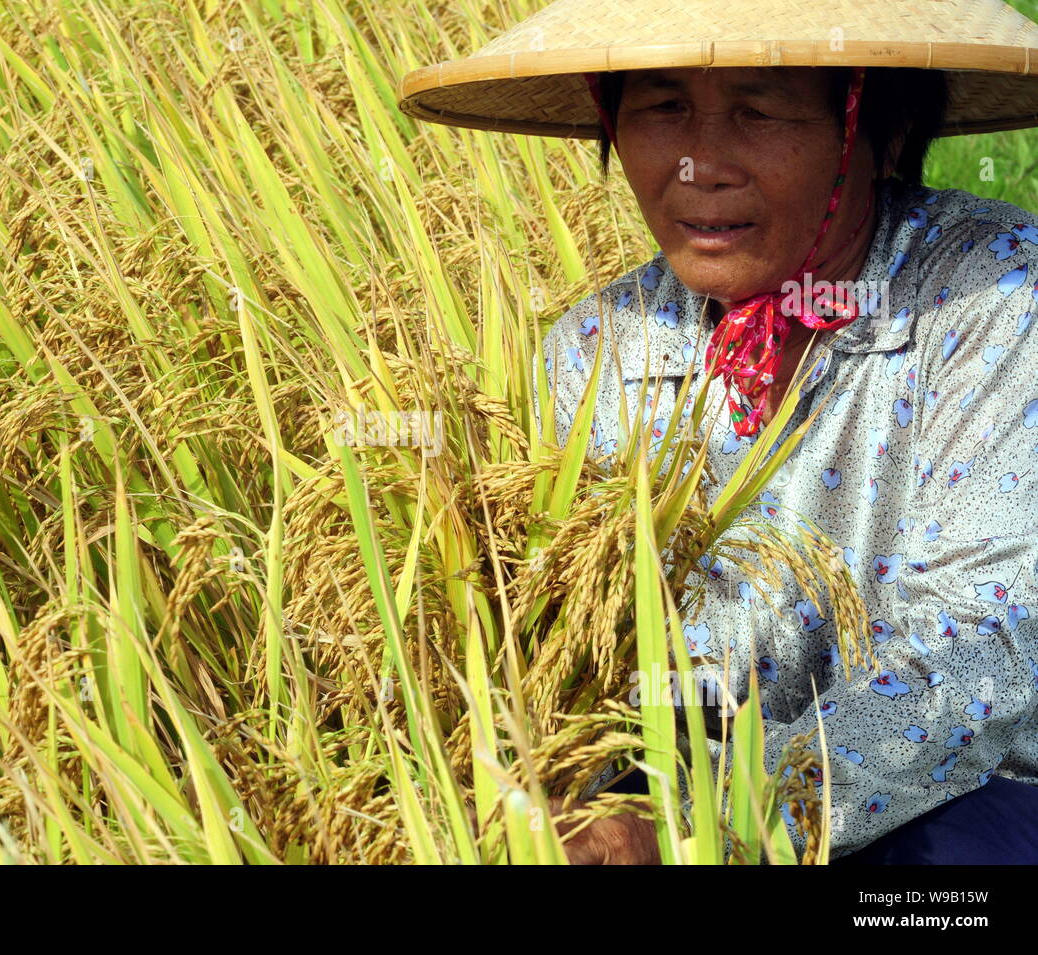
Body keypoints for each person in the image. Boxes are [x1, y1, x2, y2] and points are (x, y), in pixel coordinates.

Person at [399, 0, 1038, 864]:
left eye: (760, 110)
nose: (700, 165)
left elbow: (978, 660)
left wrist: (722, 817)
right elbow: (580, 656)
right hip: (677, 777)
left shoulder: (995, 300)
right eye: (662, 108)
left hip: (961, 800)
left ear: (879, 131)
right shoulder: (597, 351)